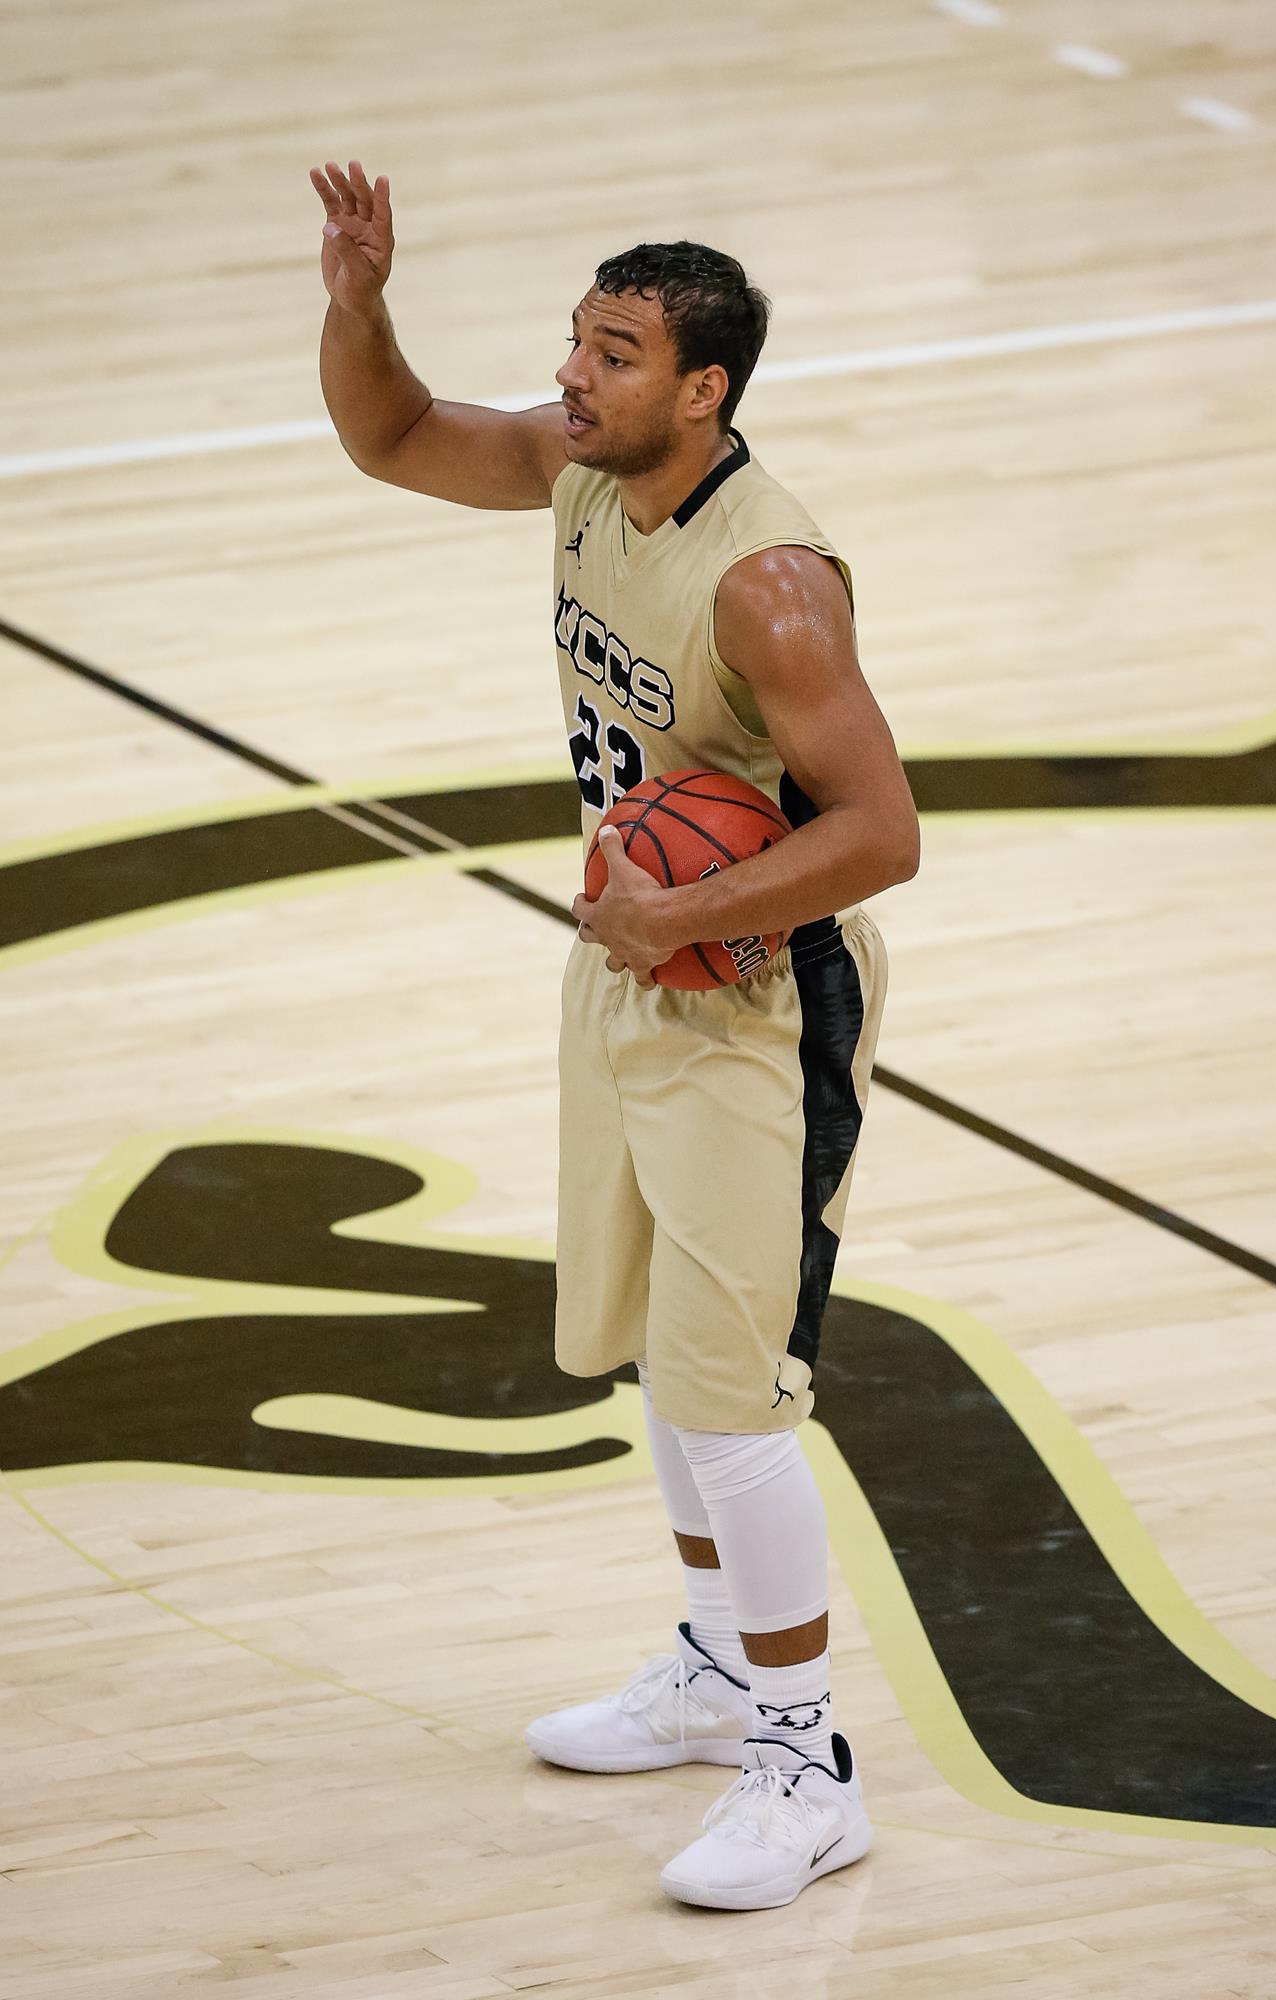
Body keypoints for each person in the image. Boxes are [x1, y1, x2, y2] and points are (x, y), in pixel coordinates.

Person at [313, 158, 920, 1912]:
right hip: (637, 964)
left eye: (618, 354)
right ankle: (725, 1668)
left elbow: (880, 829)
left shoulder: (770, 584)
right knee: (662, 1359)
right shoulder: (578, 475)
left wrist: (680, 911)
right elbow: (396, 434)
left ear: (704, 390)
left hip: (753, 993)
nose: (576, 379)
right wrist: (358, 303)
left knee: (738, 1408)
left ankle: (810, 1766)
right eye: (578, 344)